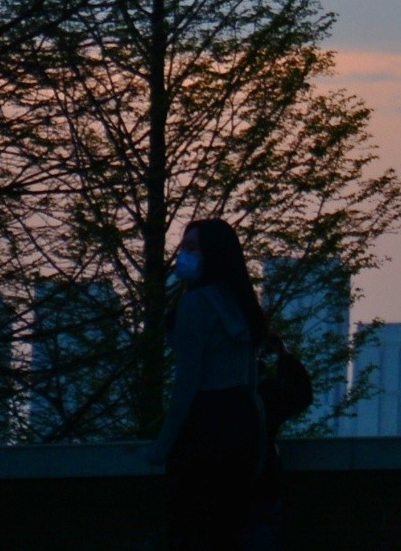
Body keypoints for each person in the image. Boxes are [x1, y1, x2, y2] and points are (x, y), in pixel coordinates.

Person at [156, 217, 286, 551]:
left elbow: (186, 380)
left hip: (203, 426)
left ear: (211, 254)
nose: (183, 255)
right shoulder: (240, 304)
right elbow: (251, 379)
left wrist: (163, 444)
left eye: (192, 248)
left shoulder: (194, 305)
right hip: (241, 424)